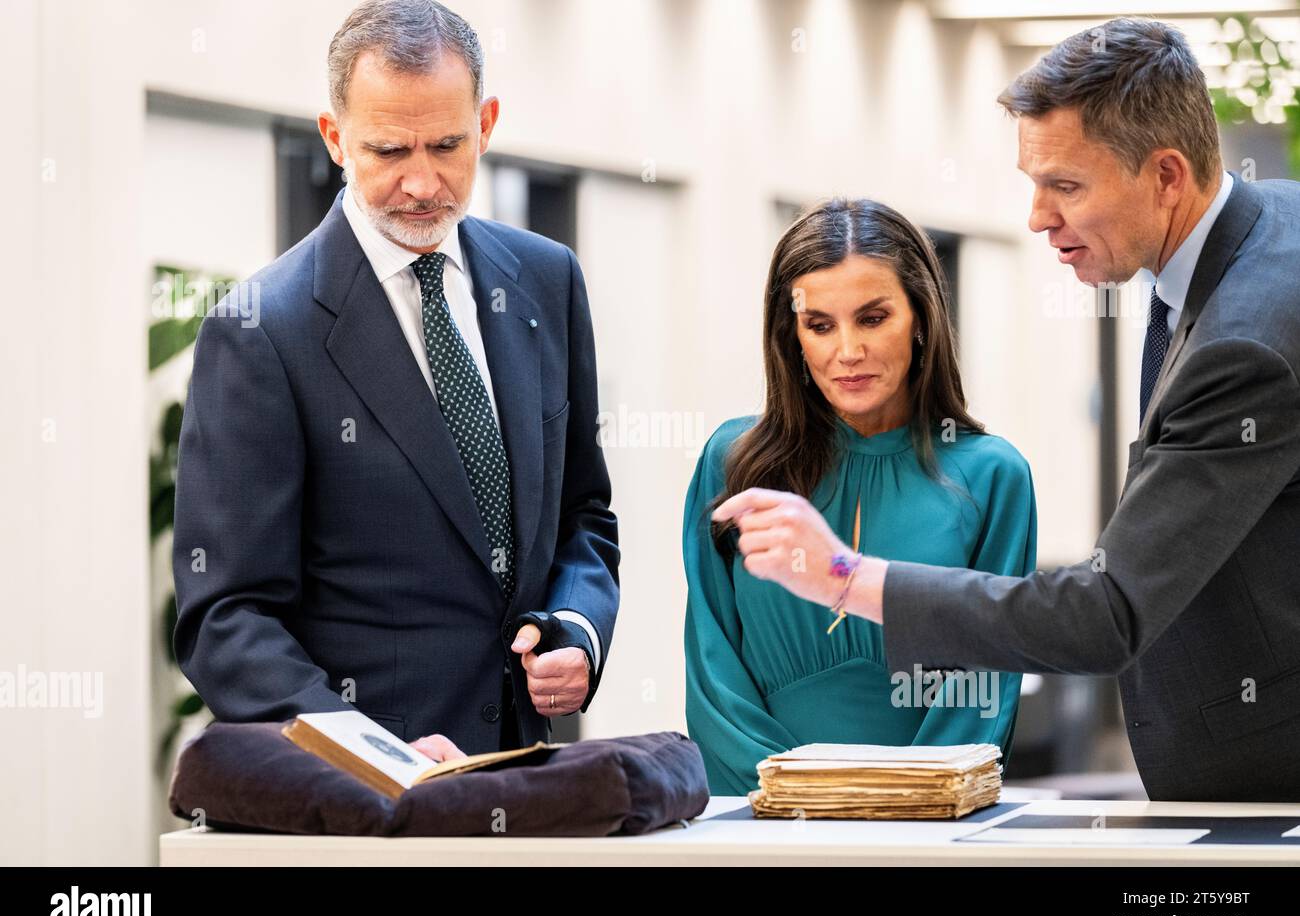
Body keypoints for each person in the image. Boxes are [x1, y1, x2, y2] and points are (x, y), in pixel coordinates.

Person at [715, 19, 1300, 802]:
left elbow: (1109, 613)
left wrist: (846, 576)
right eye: (1034, 184)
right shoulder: (1270, 224)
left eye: (1065, 187)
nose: (1037, 217)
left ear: (1166, 175)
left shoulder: (1243, 344)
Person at [172, 0, 619, 762]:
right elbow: (227, 618)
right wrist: (378, 757)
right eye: (388, 151)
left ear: (486, 124)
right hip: (359, 802)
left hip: (522, 774)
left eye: (446, 144)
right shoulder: (260, 330)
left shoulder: (547, 281)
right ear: (335, 138)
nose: (421, 182)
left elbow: (585, 514)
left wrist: (576, 627)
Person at [685, 198, 1036, 796]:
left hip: (924, 829)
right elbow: (713, 673)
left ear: (921, 317)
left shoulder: (992, 475)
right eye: (819, 325)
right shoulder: (736, 461)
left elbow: (984, 690)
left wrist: (899, 813)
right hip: (762, 822)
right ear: (791, 335)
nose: (847, 351)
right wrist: (791, 806)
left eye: (873, 318)